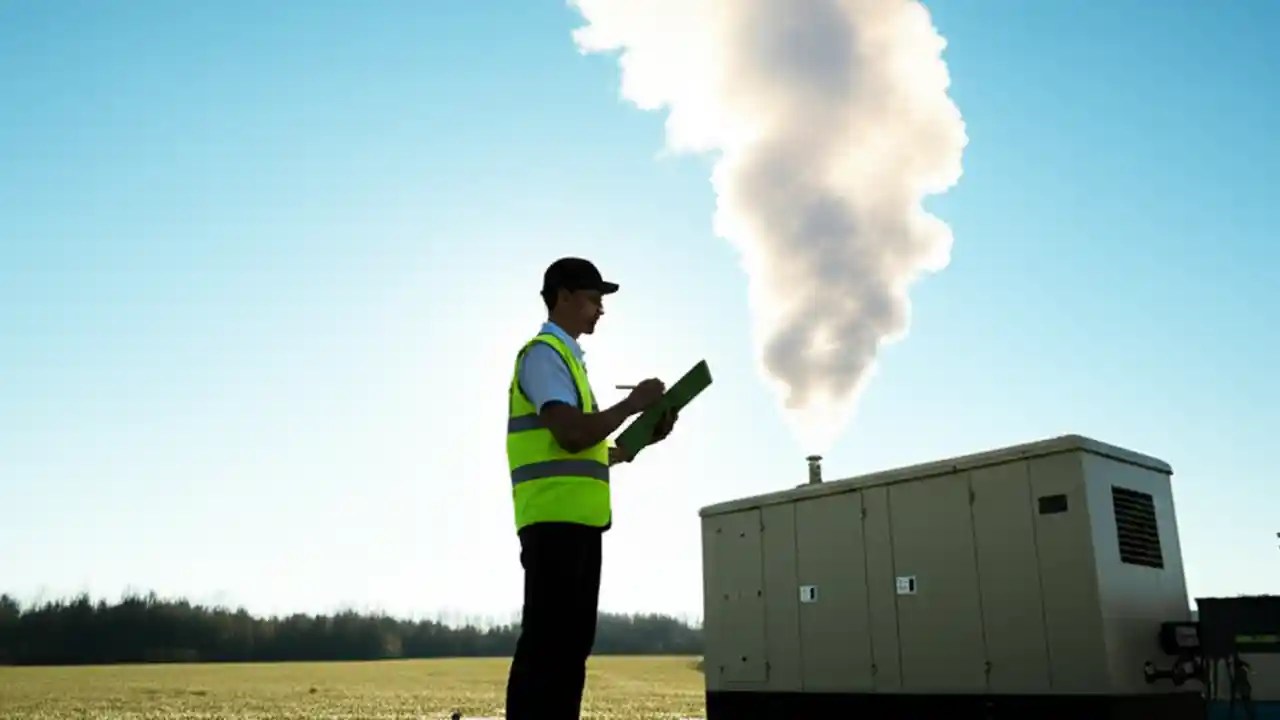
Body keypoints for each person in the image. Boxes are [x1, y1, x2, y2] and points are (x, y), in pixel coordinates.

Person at [504, 257, 677, 719]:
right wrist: (632, 402)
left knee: (569, 647)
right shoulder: (543, 355)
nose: (601, 310)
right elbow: (572, 434)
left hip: (578, 526)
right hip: (553, 524)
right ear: (563, 296)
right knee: (548, 646)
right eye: (594, 299)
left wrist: (641, 438)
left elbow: (585, 449)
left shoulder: (569, 364)